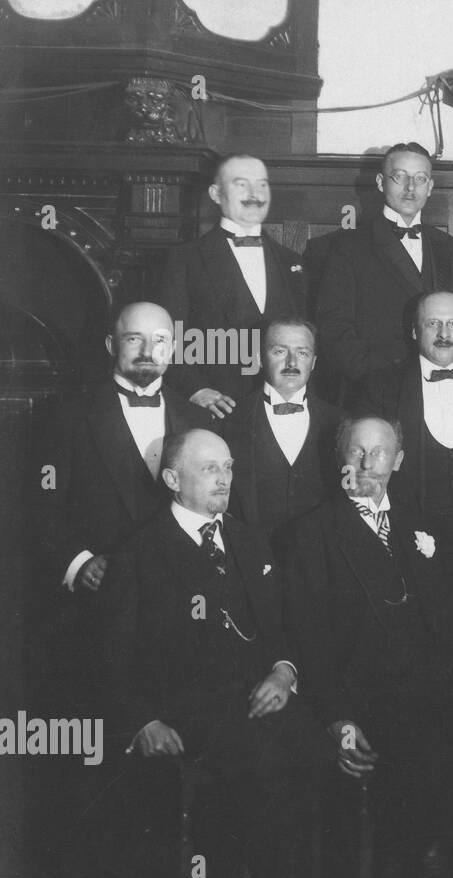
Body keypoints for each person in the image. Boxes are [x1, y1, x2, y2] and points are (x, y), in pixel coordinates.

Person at [281, 416, 453, 878]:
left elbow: (446, 615)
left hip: (430, 680)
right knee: (421, 740)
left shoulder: (418, 523)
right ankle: (408, 872)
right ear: (340, 461)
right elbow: (308, 639)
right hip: (363, 691)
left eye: (379, 453)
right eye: (356, 453)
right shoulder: (313, 533)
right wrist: (336, 717)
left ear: (399, 461)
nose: (367, 464)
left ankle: (440, 855)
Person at [101, 428, 322, 878]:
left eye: (227, 467)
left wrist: (283, 672)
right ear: (173, 479)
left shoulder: (249, 539)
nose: (224, 478)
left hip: (259, 695)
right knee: (262, 758)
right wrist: (143, 721)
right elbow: (111, 662)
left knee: (315, 744)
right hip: (185, 709)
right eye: (209, 469)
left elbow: (281, 630)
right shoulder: (138, 554)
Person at [356, 291, 453, 621]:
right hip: (407, 542)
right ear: (415, 331)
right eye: (433, 324)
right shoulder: (381, 388)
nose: (444, 334)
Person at [43, 301, 209, 607]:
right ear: (111, 345)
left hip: (181, 598)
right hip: (100, 598)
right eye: (134, 338)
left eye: (159, 340)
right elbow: (42, 505)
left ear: (172, 348)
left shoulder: (199, 420)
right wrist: (79, 564)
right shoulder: (68, 418)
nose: (148, 350)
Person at [316, 142, 453, 404]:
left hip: (439, 389)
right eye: (399, 176)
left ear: (430, 187)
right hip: (373, 390)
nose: (411, 187)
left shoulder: (449, 246)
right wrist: (379, 379)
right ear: (380, 182)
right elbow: (334, 328)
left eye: (420, 179)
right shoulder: (348, 246)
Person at [158, 154, 307, 416]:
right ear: (216, 193)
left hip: (279, 411)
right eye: (241, 184)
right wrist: (197, 390)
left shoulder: (291, 261)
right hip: (215, 412)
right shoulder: (184, 259)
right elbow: (164, 339)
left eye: (262, 184)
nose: (255, 194)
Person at [220, 318, 342, 542]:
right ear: (259, 359)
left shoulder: (339, 422)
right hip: (252, 555)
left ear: (313, 362)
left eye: (302, 353)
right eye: (279, 351)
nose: (292, 362)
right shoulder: (228, 422)